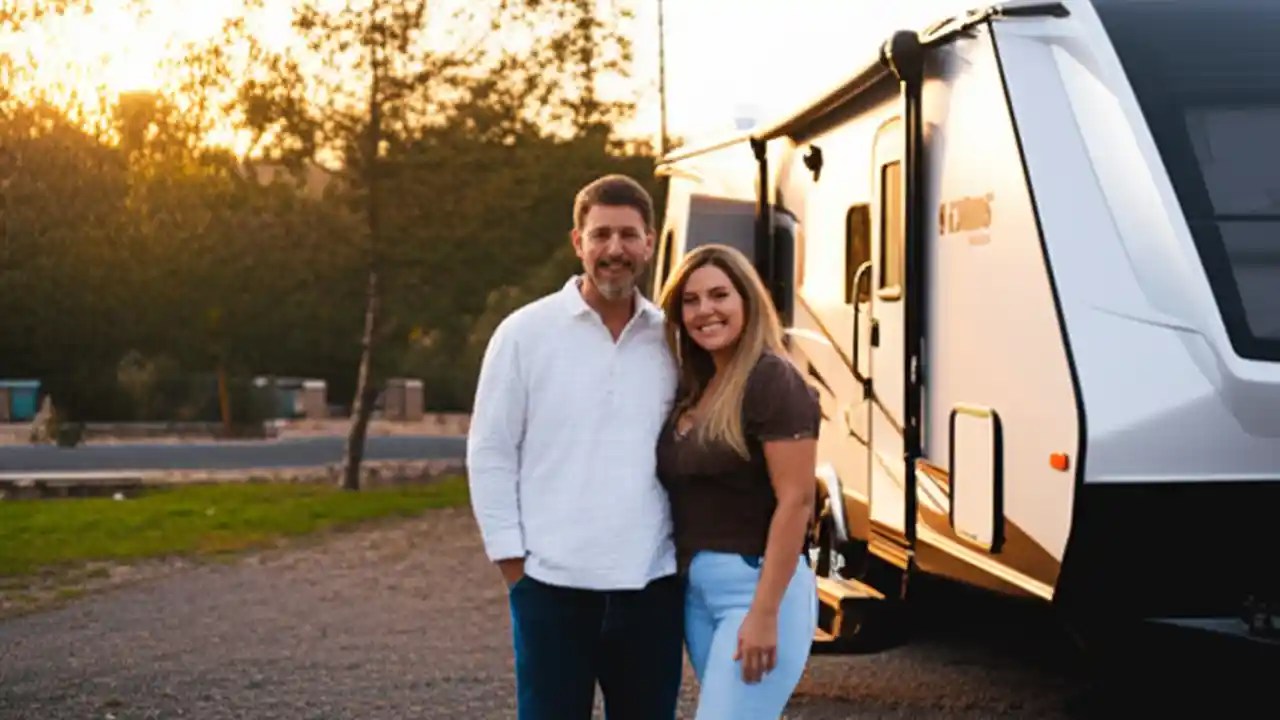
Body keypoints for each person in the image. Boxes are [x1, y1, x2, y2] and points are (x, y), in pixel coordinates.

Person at [466, 174, 684, 720]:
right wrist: (515, 568)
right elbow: (490, 451)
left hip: (651, 587)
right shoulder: (523, 334)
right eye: (601, 234)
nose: (615, 249)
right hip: (552, 589)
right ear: (577, 242)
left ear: (651, 242)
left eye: (629, 235)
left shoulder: (674, 340)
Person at [655, 243, 820, 719]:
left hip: (758, 588)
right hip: (699, 593)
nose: (705, 310)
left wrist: (764, 612)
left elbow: (797, 501)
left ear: (746, 300)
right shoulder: (696, 387)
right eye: (691, 300)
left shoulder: (773, 381)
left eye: (719, 295)